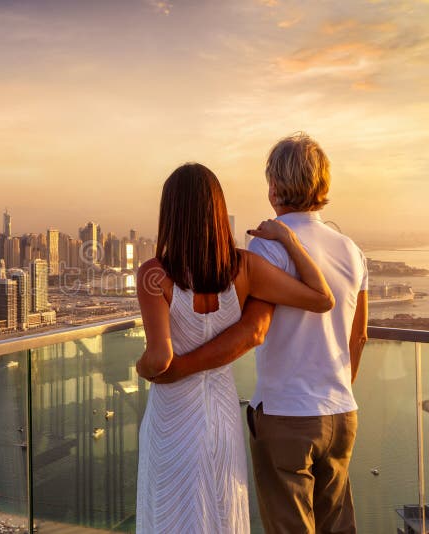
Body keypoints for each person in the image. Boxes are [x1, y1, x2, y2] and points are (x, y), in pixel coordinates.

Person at [154, 134, 368, 533]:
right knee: (337, 526)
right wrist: (334, 388)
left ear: (273, 186)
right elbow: (359, 337)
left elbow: (254, 331)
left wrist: (177, 367)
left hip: (286, 414)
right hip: (341, 410)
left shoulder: (267, 247)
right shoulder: (352, 250)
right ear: (324, 185)